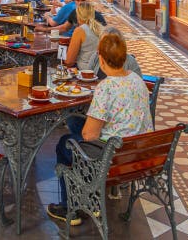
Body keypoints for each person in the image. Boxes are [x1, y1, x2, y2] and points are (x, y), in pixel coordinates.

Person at [47, 30, 152, 226]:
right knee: (76, 126)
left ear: (101, 60)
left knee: (66, 143)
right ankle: (87, 195)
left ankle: (71, 207)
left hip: (112, 160)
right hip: (138, 154)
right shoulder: (138, 80)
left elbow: (89, 134)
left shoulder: (106, 87)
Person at [62, 2, 102, 69]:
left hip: (85, 71)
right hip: (100, 69)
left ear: (78, 15)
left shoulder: (80, 30)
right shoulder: (101, 28)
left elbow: (69, 62)